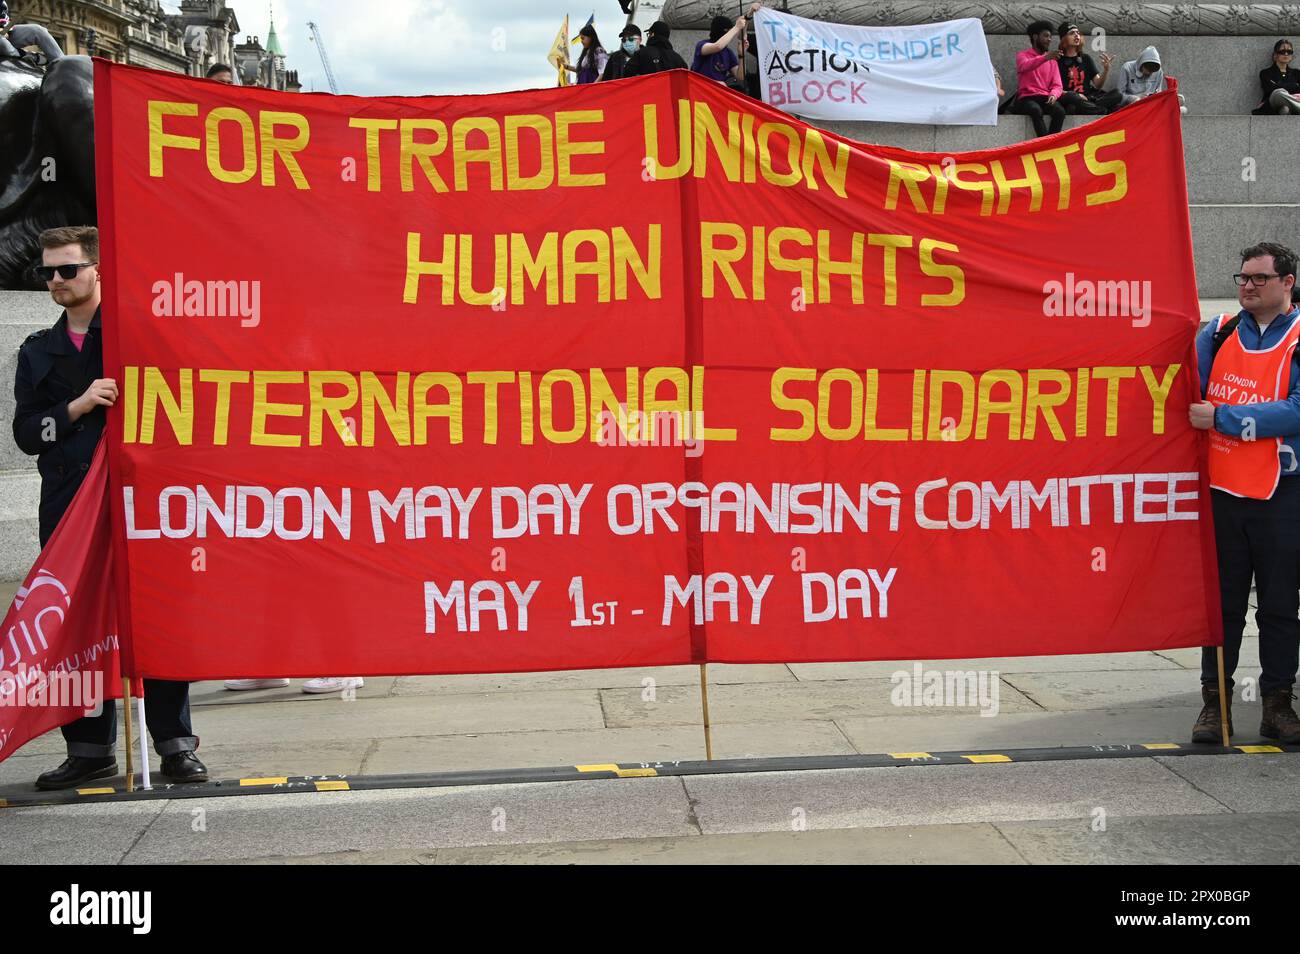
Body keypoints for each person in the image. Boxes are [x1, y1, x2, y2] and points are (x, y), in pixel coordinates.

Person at [12, 227, 209, 788]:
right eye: (47, 272)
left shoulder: (135, 334)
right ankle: (88, 747)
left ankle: (175, 744)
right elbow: (28, 433)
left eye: (67, 269)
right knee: (74, 623)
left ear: (97, 269)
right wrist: (77, 405)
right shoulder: (35, 351)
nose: (55, 280)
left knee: (156, 617)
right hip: (69, 506)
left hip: (139, 498)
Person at [1188, 242, 1300, 745]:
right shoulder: (1218, 333)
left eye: (1259, 278)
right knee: (1222, 606)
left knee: (1278, 605)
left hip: (1283, 495)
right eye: (1241, 278)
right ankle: (1215, 705)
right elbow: (1192, 388)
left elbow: (1297, 408)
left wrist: (1228, 420)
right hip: (1224, 492)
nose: (1247, 286)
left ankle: (1277, 705)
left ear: (1287, 282)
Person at [1010, 20, 1066, 137]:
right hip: (1026, 98)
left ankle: (1049, 145)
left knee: (1060, 112)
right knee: (1035, 110)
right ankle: (1045, 145)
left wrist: (1054, 95)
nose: (1049, 39)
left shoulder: (1052, 61)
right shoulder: (1023, 55)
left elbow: (1057, 85)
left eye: (1050, 36)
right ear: (1035, 37)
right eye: (1046, 36)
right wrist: (1045, 58)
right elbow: (1024, 66)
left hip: (1045, 98)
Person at [1055, 22, 1121, 114]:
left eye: (1078, 33)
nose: (1076, 35)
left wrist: (1106, 70)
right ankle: (1099, 110)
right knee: (1072, 104)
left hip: (1090, 98)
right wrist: (1076, 95)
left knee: (1117, 94)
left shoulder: (1086, 58)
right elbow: (1054, 89)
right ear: (1063, 38)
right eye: (1072, 33)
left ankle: (1095, 108)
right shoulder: (1056, 61)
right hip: (1073, 99)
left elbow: (1098, 84)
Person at [1117, 45, 1186, 113]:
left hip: (1152, 103)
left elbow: (1158, 92)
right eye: (1148, 70)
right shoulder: (1127, 68)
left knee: (1180, 100)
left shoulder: (1158, 72)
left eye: (1152, 71)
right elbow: (1119, 95)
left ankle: (1169, 107)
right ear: (1141, 64)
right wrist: (1137, 97)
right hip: (1133, 103)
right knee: (1137, 101)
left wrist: (1156, 96)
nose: (1149, 73)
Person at [621, 20, 688, 77]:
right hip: (668, 92)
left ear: (652, 34)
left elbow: (627, 73)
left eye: (649, 34)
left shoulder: (642, 53)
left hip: (647, 91)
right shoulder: (678, 58)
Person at [693, 14, 744, 86]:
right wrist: (736, 27)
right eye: (728, 32)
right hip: (701, 88)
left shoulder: (728, 53)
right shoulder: (702, 45)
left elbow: (740, 77)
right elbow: (718, 46)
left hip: (719, 92)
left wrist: (741, 55)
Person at [1252, 39, 1300, 114]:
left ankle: (1287, 109)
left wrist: (1278, 85)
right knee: (1278, 93)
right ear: (1275, 55)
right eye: (1282, 51)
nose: (1286, 54)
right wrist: (1294, 85)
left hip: (1294, 101)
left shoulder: (1297, 73)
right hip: (1274, 101)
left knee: (1284, 109)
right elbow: (1269, 89)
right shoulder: (1266, 73)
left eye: (1289, 52)